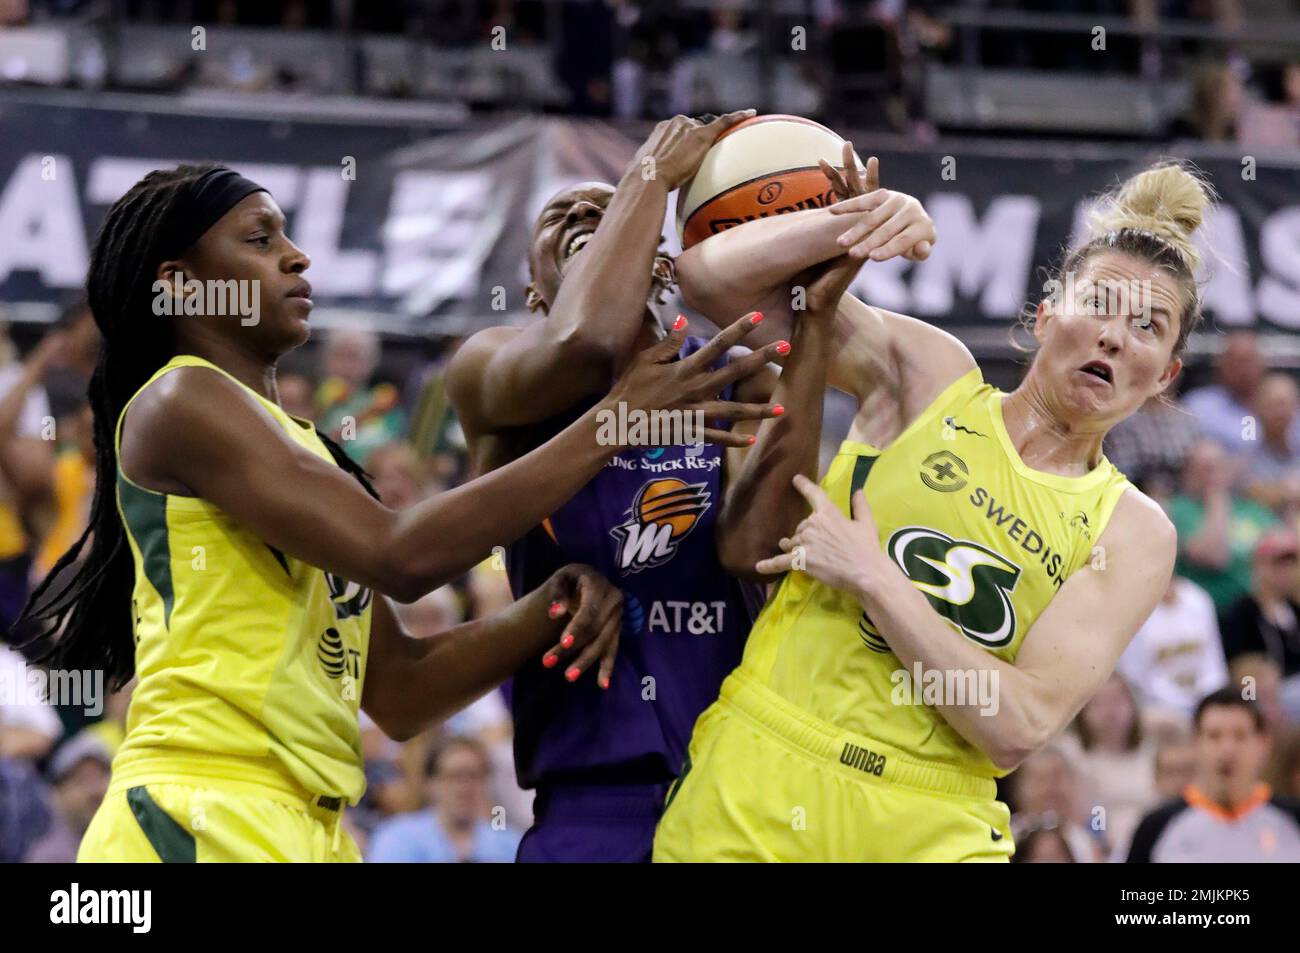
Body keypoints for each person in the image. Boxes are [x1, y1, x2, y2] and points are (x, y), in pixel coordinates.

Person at [12, 163, 774, 863]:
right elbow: (400, 555)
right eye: (260, 237)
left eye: (288, 233)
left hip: (308, 824)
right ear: (180, 284)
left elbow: (403, 689)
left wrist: (548, 609)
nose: (297, 256)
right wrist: (614, 422)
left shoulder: (307, 455)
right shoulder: (183, 398)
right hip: (202, 806)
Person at [654, 156, 1211, 861]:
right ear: (1046, 316)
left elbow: (1015, 726)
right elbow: (707, 277)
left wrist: (875, 578)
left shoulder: (1132, 530)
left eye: (1148, 326)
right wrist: (849, 223)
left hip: (935, 817)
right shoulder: (930, 377)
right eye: (1097, 303)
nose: (1114, 335)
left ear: (1164, 374)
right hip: (767, 764)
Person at [446, 111, 795, 862]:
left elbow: (763, 552)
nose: (581, 215)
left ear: (662, 269)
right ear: (533, 293)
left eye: (604, 214)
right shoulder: (492, 367)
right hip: (589, 796)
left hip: (732, 779)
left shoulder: (729, 373)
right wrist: (648, 175)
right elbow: (587, 342)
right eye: (560, 216)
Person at [1127, 689, 1300, 862]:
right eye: (1214, 736)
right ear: (1195, 743)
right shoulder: (1156, 827)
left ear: (1263, 743)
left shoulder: (1293, 820)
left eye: (1240, 736)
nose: (1227, 750)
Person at [366, 736, 522, 863]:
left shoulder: (508, 842)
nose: (465, 787)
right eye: (455, 776)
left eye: (474, 776)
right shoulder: (397, 837)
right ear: (430, 783)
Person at [1168, 438, 1277, 612]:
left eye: (1217, 466)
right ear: (1188, 474)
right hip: (1211, 614)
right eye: (1204, 468)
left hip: (1255, 614)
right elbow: (1214, 557)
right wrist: (1217, 495)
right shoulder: (1180, 511)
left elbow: (1281, 554)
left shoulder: (1250, 509)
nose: (1212, 474)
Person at [1117, 573, 1228, 730]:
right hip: (1159, 706)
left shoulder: (1198, 599)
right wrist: (1178, 704)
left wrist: (1210, 699)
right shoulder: (1133, 609)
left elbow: (1214, 661)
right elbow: (1135, 676)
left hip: (1205, 699)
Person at [23, 732, 112, 863]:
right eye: (82, 780)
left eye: (101, 776)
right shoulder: (48, 857)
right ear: (56, 793)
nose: (95, 791)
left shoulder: (133, 840)